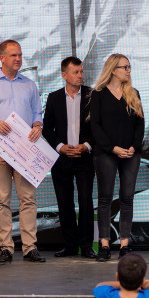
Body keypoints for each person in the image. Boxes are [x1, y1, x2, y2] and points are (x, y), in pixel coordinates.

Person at [0, 39, 47, 263]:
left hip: (24, 147)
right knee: (2, 199)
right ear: (2, 58)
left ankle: (29, 247)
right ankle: (6, 247)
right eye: (13, 55)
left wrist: (38, 125)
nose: (18, 59)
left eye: (20, 55)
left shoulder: (29, 85)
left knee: (27, 198)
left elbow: (37, 113)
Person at [88, 53, 145, 263]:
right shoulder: (98, 94)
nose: (129, 71)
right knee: (104, 198)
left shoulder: (134, 93)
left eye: (129, 67)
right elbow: (95, 126)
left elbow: (140, 124)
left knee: (127, 198)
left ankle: (124, 244)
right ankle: (104, 245)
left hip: (130, 153)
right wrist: (113, 148)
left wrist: (132, 147)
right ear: (113, 70)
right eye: (125, 67)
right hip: (106, 153)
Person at [42, 57, 96, 258]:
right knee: (64, 203)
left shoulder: (93, 95)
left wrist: (86, 146)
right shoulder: (54, 97)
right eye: (76, 72)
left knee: (86, 202)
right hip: (61, 159)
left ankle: (87, 245)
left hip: (85, 158)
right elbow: (47, 127)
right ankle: (70, 245)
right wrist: (60, 147)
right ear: (64, 75)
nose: (81, 75)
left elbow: (98, 127)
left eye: (81, 71)